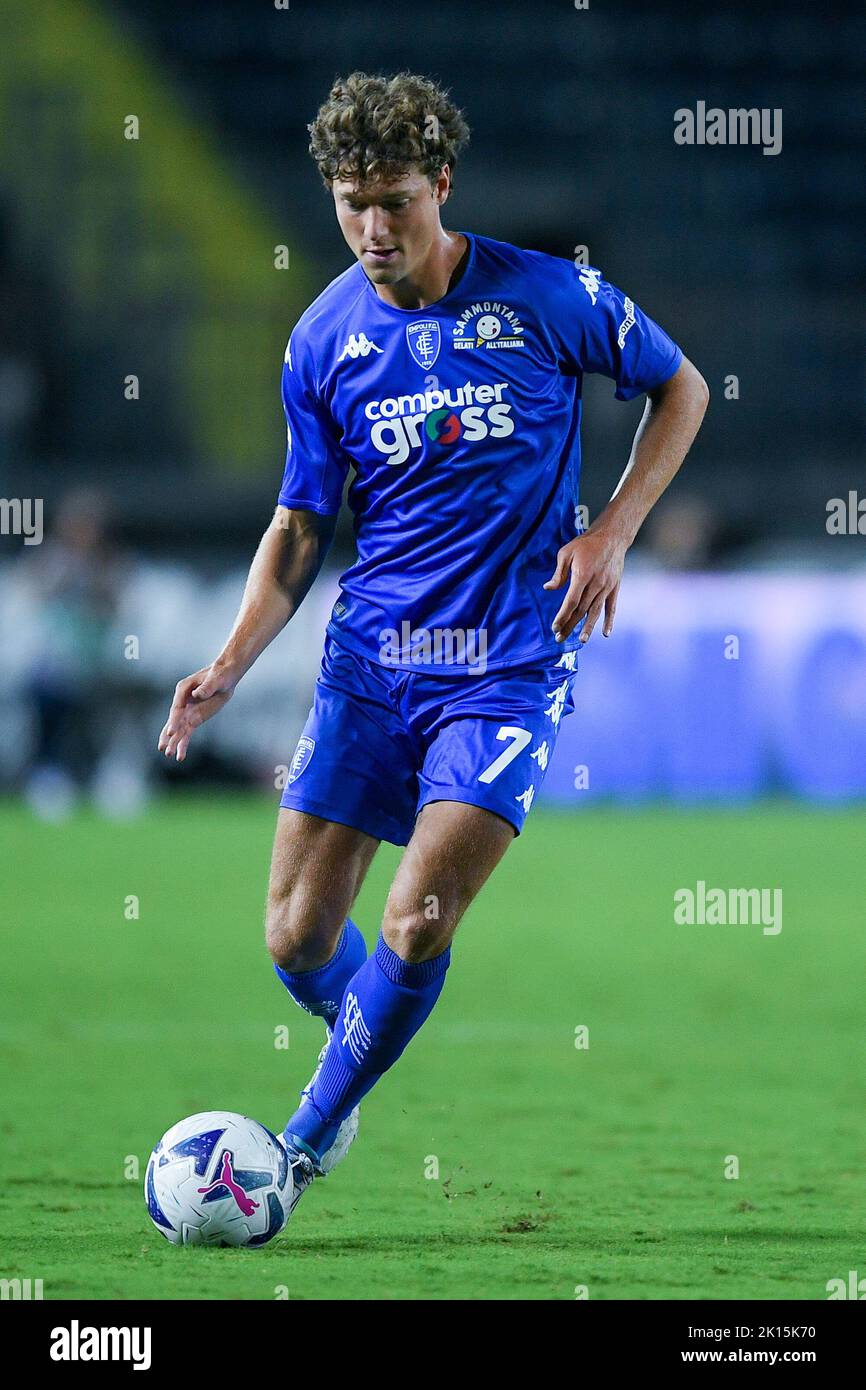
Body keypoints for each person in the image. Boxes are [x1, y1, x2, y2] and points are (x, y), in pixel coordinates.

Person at [158, 71, 709, 1212]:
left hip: (507, 662)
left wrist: (612, 531)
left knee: (414, 914)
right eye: (349, 201)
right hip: (371, 663)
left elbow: (680, 387)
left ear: (441, 186)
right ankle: (361, 1049)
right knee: (297, 937)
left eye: (394, 200)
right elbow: (300, 526)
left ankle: (292, 1152)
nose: (370, 227)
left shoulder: (551, 298)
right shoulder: (320, 341)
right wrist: (229, 662)